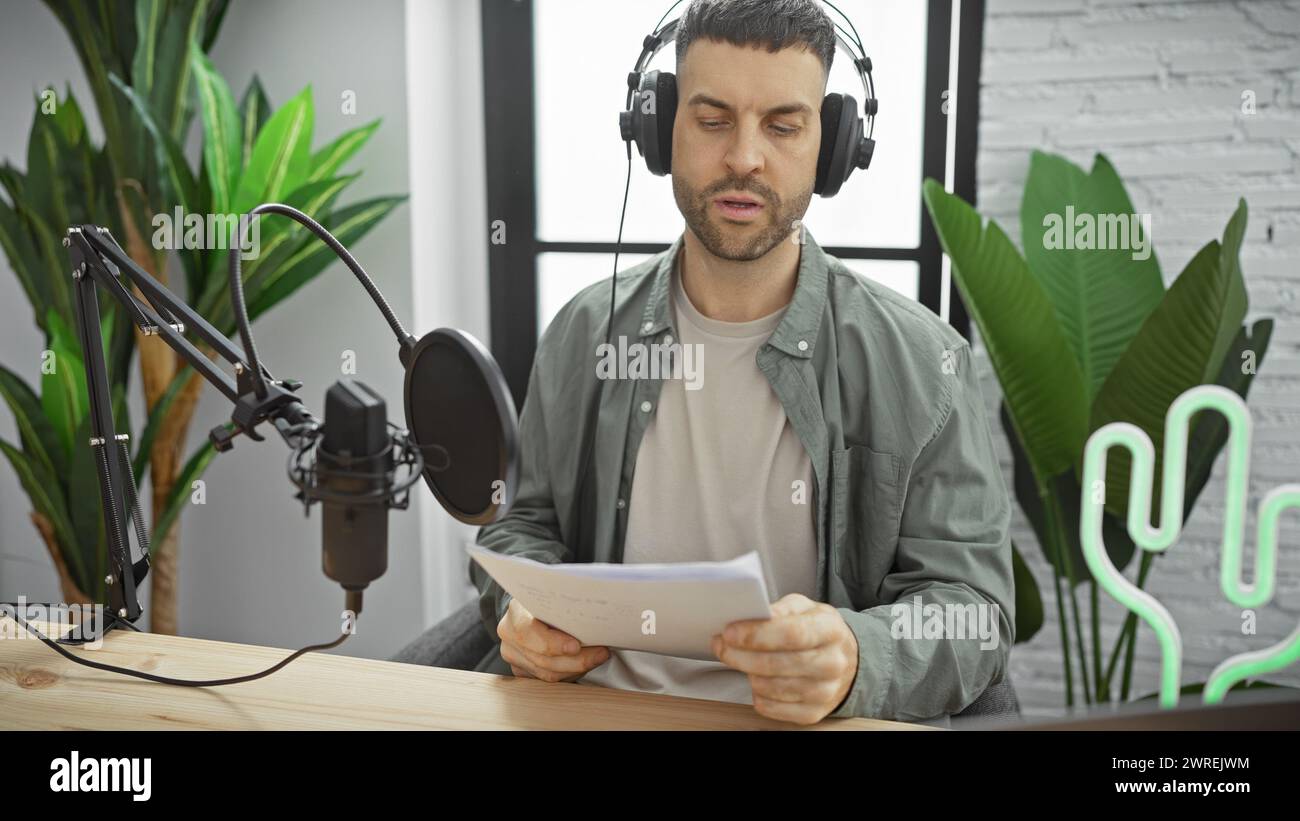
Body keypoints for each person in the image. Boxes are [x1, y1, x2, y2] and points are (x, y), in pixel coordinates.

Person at [470, 0, 1014, 725]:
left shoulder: (925, 361)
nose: (743, 158)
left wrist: (859, 655)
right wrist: (521, 608)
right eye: (713, 119)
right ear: (661, 129)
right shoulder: (583, 332)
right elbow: (520, 526)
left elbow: (973, 610)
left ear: (832, 148)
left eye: (783, 126)